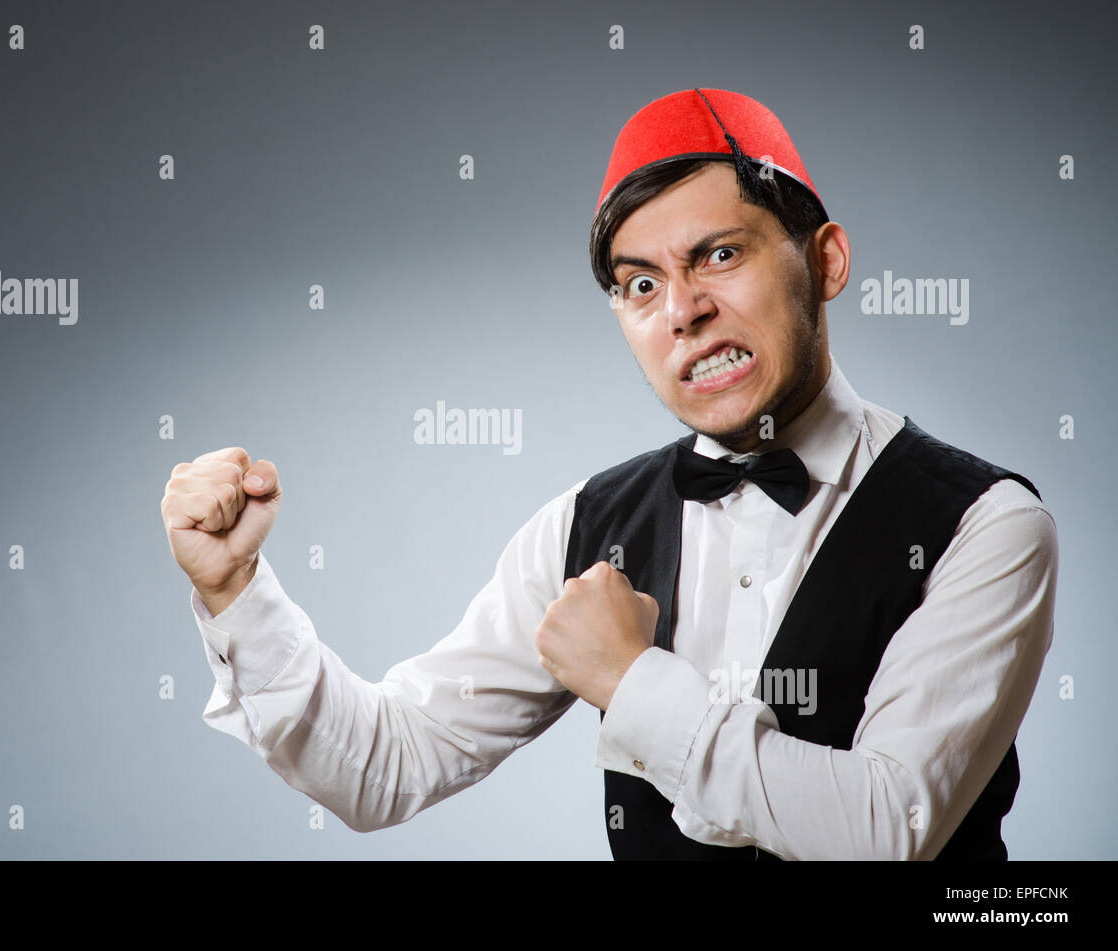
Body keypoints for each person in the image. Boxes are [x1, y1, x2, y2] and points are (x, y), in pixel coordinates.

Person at [160, 88, 1057, 860]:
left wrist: (633, 684)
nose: (684, 312)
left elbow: (887, 829)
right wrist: (238, 591)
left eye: (720, 254)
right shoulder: (585, 529)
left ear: (825, 260)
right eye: (639, 284)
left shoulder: (988, 524)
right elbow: (387, 763)